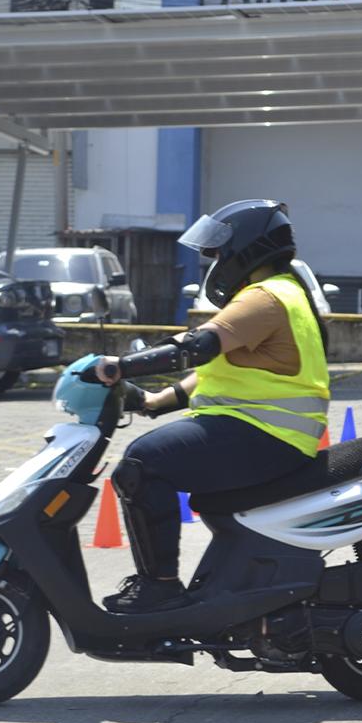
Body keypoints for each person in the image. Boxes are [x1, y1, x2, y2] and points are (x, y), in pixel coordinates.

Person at [91, 199, 330, 613]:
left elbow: (200, 345)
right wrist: (152, 402)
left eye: (218, 253)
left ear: (248, 248)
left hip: (266, 434)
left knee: (143, 463)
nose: (214, 263)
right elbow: (217, 368)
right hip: (261, 431)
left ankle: (159, 586)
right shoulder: (285, 292)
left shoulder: (266, 297)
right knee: (152, 457)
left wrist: (123, 366)